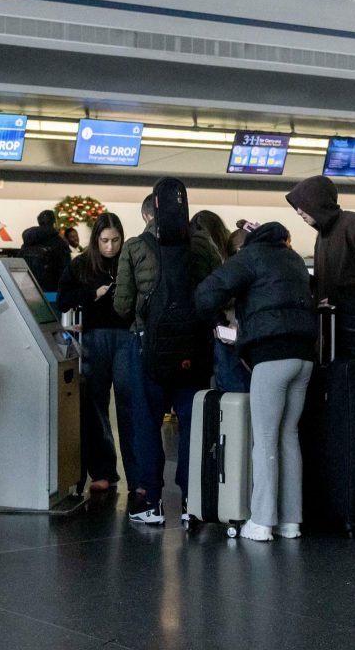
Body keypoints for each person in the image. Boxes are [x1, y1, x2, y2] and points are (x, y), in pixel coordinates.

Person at [195, 221, 316, 541]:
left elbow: (207, 292)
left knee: (264, 439)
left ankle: (262, 522)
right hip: (304, 357)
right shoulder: (291, 258)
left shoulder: (250, 256)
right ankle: (291, 521)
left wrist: (218, 318)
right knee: (289, 436)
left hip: (272, 356)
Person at [113, 190, 222, 526]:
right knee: (194, 424)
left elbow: (121, 305)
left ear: (149, 215)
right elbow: (215, 292)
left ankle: (149, 500)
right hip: (194, 348)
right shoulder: (204, 246)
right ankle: (193, 501)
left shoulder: (134, 246)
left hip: (148, 348)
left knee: (146, 422)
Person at [285, 176, 355, 362]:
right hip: (337, 331)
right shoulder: (323, 235)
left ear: (318, 202)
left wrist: (346, 298)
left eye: (303, 205)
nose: (299, 212)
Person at [57, 212, 131, 497]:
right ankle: (103, 471)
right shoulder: (82, 265)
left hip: (123, 337)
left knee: (127, 404)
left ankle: (131, 475)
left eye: (115, 240)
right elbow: (64, 299)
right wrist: (91, 294)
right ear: (95, 240)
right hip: (95, 337)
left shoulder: (128, 262)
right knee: (95, 407)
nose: (110, 247)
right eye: (105, 241)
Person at [191, 210, 248, 393]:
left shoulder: (200, 251)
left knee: (226, 388)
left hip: (219, 330)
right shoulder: (232, 255)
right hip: (238, 329)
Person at [19, 210, 71, 293]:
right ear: (54, 222)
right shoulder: (59, 242)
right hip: (52, 292)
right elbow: (66, 270)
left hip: (28, 290)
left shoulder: (27, 241)